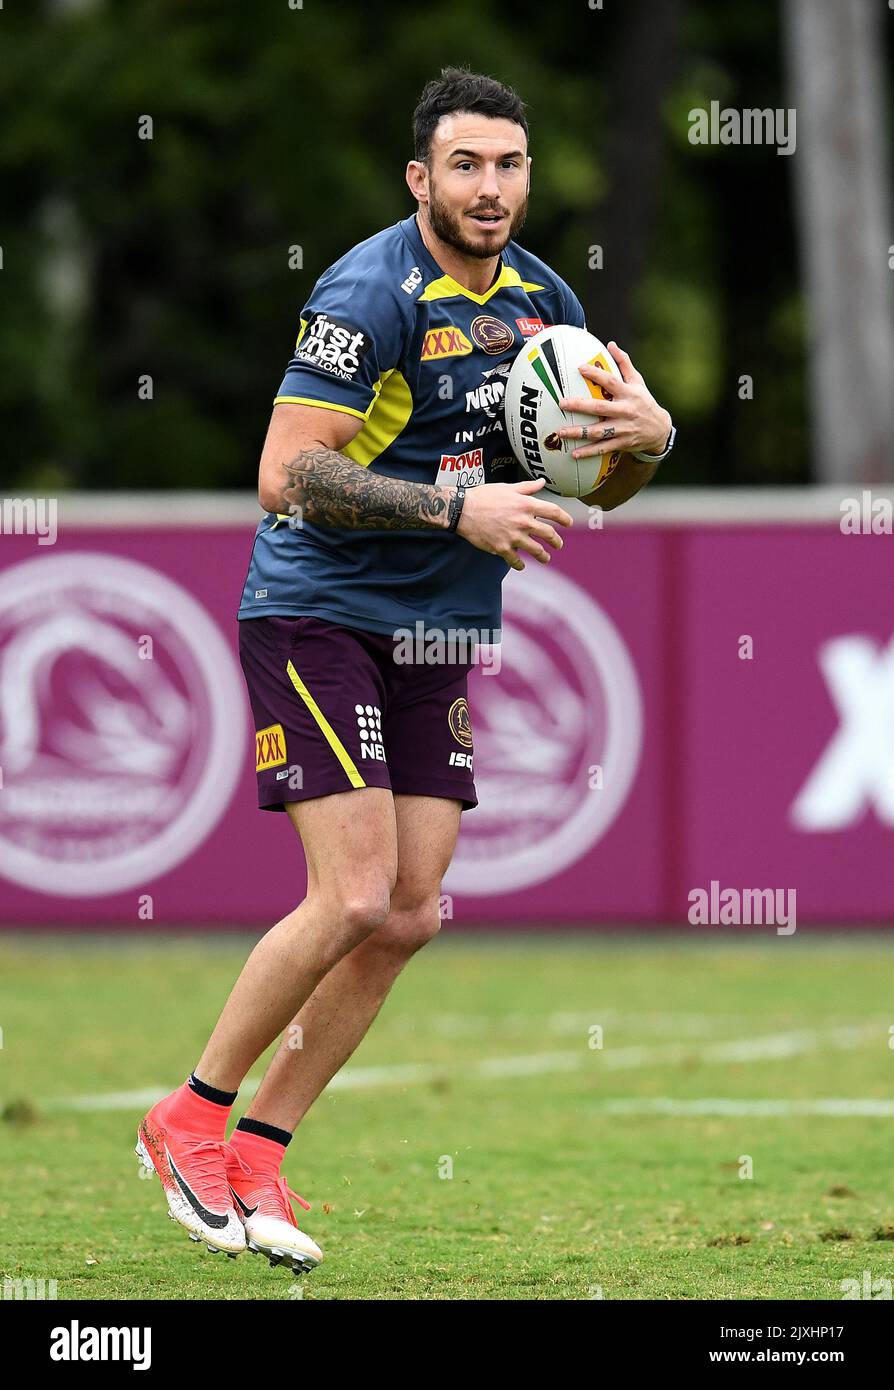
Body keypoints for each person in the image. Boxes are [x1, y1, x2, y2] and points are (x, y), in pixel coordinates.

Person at [136, 65, 674, 1275]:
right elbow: (289, 475)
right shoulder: (367, 288)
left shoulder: (547, 302)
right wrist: (455, 509)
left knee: (413, 912)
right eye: (467, 165)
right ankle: (184, 1120)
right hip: (316, 612)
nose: (491, 188)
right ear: (422, 177)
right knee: (357, 894)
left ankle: (261, 1149)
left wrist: (650, 444)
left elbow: (594, 484)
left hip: (434, 634)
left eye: (511, 165)